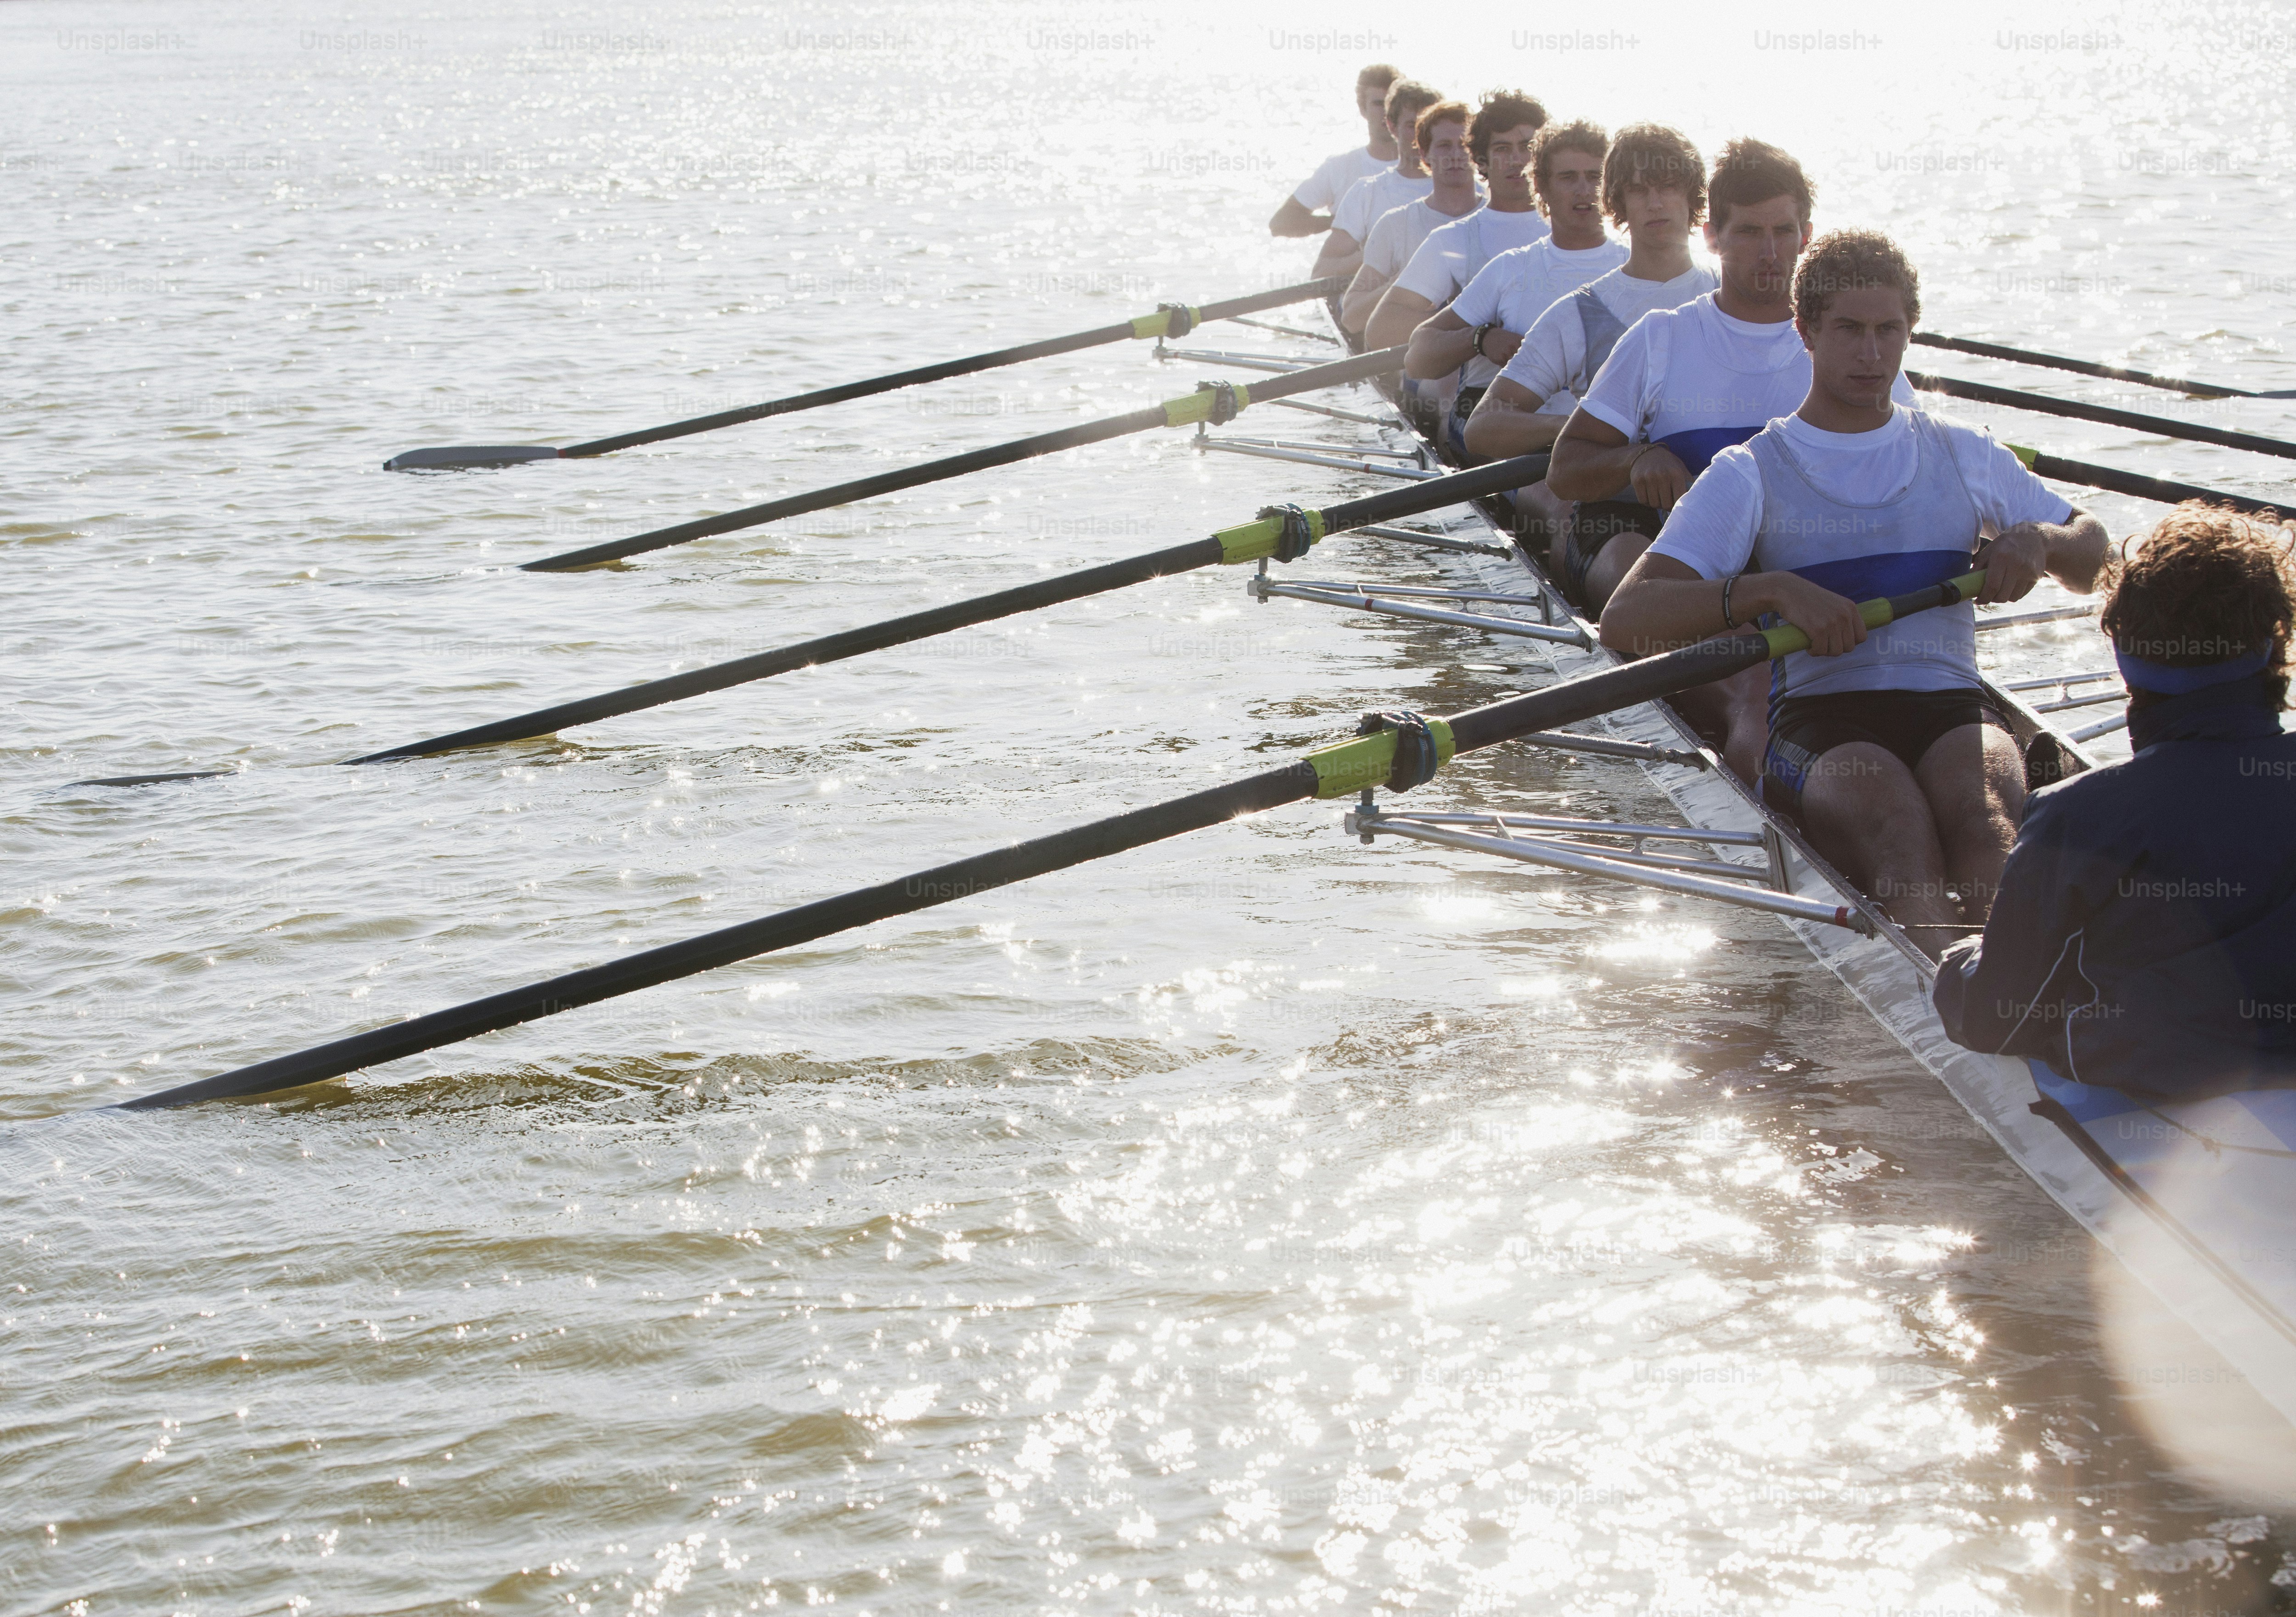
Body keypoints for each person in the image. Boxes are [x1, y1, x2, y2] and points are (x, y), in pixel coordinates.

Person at [1599, 230, 2108, 944]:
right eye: (1849, 330)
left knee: (1987, 821)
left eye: (1888, 331)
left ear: (1909, 332)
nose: (1871, 355)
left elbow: (2092, 555)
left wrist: (2039, 540)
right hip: (1819, 722)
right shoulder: (1750, 471)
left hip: (1951, 705)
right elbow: (1626, 618)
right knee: (1898, 825)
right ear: (1805, 330)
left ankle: (2008, 1002)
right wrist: (1765, 591)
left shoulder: (1963, 451)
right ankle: (1959, 1002)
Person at [1933, 504, 2296, 1100]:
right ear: (2275, 642)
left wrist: (1963, 960)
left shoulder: (2075, 817)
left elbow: (1993, 1019)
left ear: (2125, 656)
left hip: (2164, 1090)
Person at [1461, 124, 1716, 502]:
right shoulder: (1579, 313)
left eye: (1667, 187)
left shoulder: (1730, 296)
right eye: (1638, 190)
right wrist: (1587, 430)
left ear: (1694, 198)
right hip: (1620, 513)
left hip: (1720, 508)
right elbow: (1482, 428)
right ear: (1616, 203)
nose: (1655, 203)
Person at [1404, 119, 1623, 457]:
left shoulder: (1635, 265)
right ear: (1541, 186)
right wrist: (1480, 338)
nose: (1585, 191)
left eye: (1595, 177)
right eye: (1568, 178)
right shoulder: (1512, 268)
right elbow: (1417, 357)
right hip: (1524, 443)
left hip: (1614, 443)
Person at [1362, 89, 1550, 353]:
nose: (1517, 160)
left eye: (1527, 148)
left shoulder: (1578, 230)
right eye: (1502, 149)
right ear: (1480, 159)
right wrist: (1478, 335)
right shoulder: (1451, 240)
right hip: (1486, 392)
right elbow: (1382, 331)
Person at [1339, 99, 1484, 341]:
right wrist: (1405, 282)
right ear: (1425, 154)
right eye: (1444, 146)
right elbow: (1351, 318)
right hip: (1416, 367)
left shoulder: (1499, 218)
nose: (1456, 155)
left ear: (1478, 154)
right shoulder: (1396, 225)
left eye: (1463, 145)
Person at [1311, 79, 1443, 282]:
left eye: (1428, 126)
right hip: (1381, 307)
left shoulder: (1467, 191)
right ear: (1392, 126)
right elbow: (1322, 273)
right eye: (1412, 125)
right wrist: (1377, 251)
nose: (1421, 136)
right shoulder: (1366, 193)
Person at [1269, 64, 1403, 239]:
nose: (1387, 112)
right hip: (1354, 265)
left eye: (1392, 103)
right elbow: (1281, 223)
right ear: (1363, 109)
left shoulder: (1428, 168)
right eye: (1379, 104)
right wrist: (1339, 223)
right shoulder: (1340, 168)